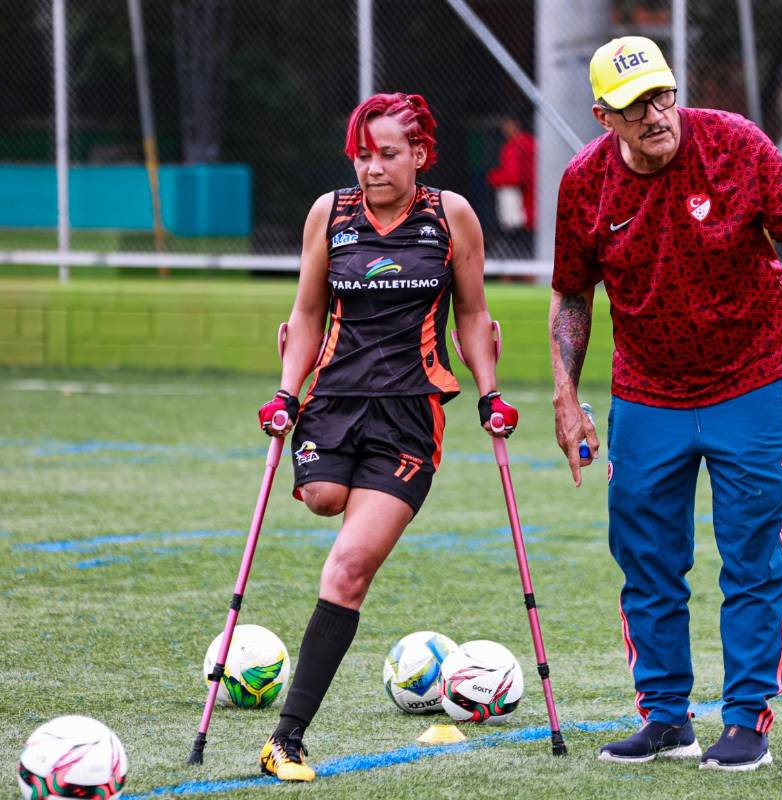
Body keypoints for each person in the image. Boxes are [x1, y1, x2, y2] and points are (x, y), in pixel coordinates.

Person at [548, 35, 782, 771]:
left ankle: (746, 722)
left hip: (752, 376)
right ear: (606, 116)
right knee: (646, 560)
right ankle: (666, 718)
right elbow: (572, 292)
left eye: (663, 95)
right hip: (645, 389)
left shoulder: (736, 144)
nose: (657, 114)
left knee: (752, 559)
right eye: (636, 106)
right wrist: (566, 397)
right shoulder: (583, 184)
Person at [253, 92, 518, 783]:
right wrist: (287, 389)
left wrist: (490, 392)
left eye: (388, 154)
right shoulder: (331, 215)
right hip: (333, 404)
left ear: (420, 156)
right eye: (363, 154)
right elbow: (307, 313)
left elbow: (473, 315)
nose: (372, 167)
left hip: (409, 413)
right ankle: (333, 474)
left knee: (346, 570)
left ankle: (287, 738)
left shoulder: (450, 216)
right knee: (320, 496)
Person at [486, 116, 537, 242]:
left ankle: (511, 241)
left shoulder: (512, 146)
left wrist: (492, 178)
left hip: (524, 198)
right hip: (537, 192)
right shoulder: (533, 142)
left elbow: (513, 177)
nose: (504, 130)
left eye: (506, 125)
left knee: (506, 193)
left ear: (515, 125)